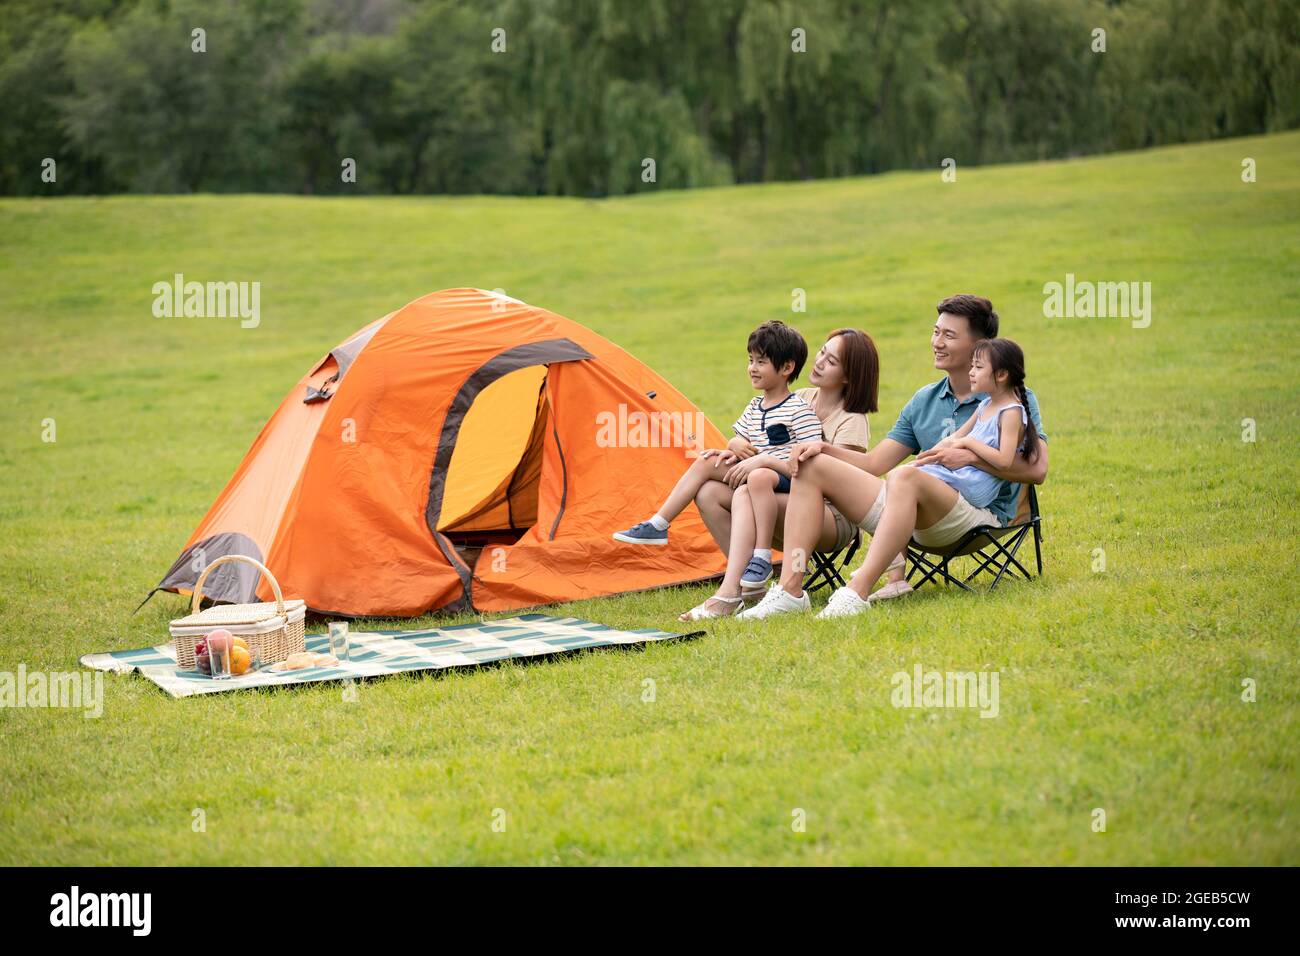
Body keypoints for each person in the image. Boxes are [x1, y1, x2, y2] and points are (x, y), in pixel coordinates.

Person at [737, 294, 1049, 620]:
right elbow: (874, 464)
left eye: (949, 335)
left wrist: (970, 458)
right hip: (911, 515)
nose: (937, 343)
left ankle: (857, 590)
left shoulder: (1012, 398)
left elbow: (1037, 470)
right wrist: (822, 448)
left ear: (980, 347)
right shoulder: (924, 400)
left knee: (906, 475)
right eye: (935, 332)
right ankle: (790, 589)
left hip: (976, 518)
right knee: (812, 464)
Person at [814, 337, 1038, 618]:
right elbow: (951, 439)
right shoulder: (977, 406)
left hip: (976, 503)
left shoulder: (1014, 409)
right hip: (947, 496)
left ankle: (861, 587)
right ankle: (888, 568)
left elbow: (1008, 461)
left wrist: (967, 450)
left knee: (905, 477)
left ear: (1001, 374)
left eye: (978, 367)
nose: (971, 372)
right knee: (899, 474)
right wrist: (936, 452)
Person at [681, 327, 885, 620]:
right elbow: (760, 442)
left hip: (831, 516)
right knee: (709, 492)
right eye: (822, 352)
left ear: (849, 375)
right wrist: (737, 446)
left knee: (750, 488)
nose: (819, 361)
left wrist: (765, 462)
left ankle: (729, 594)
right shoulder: (800, 396)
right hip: (783, 496)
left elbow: (836, 483)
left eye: (832, 361)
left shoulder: (851, 419)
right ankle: (750, 580)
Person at [613, 320, 821, 561]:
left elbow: (811, 467)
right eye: (750, 360)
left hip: (783, 480)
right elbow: (739, 439)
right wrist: (734, 445)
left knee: (757, 475)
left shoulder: (799, 410)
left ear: (786, 368)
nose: (752, 368)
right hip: (753, 476)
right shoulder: (755, 406)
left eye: (761, 362)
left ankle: (760, 556)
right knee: (707, 462)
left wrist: (765, 461)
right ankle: (660, 525)